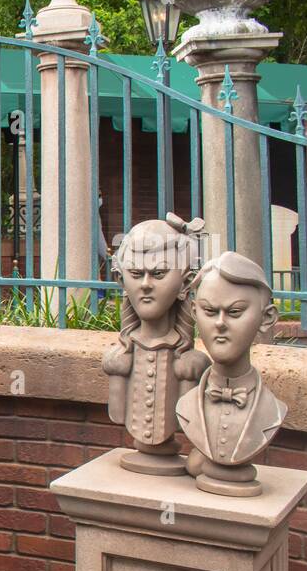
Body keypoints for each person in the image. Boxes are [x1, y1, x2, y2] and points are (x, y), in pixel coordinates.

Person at [101, 213, 209, 474]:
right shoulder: (119, 361)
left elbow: (186, 420)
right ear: (121, 281)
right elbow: (117, 412)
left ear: (185, 283)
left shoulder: (191, 367)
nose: (146, 285)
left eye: (159, 273)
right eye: (136, 274)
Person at [175, 251, 286, 497]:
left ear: (267, 318)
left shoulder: (273, 411)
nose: (220, 323)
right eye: (209, 311)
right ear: (194, 312)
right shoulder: (186, 405)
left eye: (234, 312)